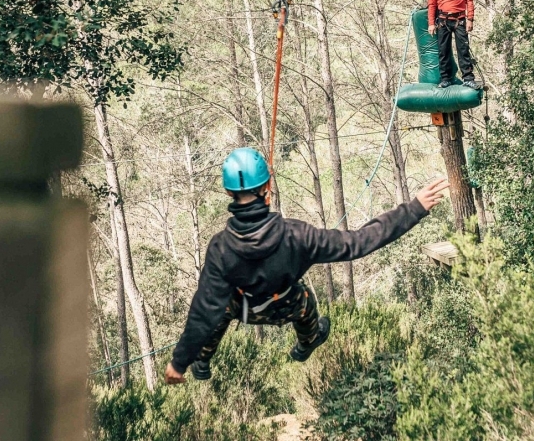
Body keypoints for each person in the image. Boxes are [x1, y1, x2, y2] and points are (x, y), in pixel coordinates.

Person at [164, 147, 450, 384]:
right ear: (267, 186)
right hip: (287, 306)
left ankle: (202, 360)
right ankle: (307, 342)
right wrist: (414, 208)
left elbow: (203, 311)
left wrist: (180, 362)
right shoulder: (297, 235)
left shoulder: (220, 248)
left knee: (219, 305)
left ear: (229, 193)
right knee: (306, 299)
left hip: (245, 310)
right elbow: (358, 242)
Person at [427, 0, 480, 90]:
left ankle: (468, 78)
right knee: (443, 50)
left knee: (463, 49)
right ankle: (446, 78)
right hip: (443, 20)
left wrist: (470, 19)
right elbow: (432, 4)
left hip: (459, 19)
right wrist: (431, 23)